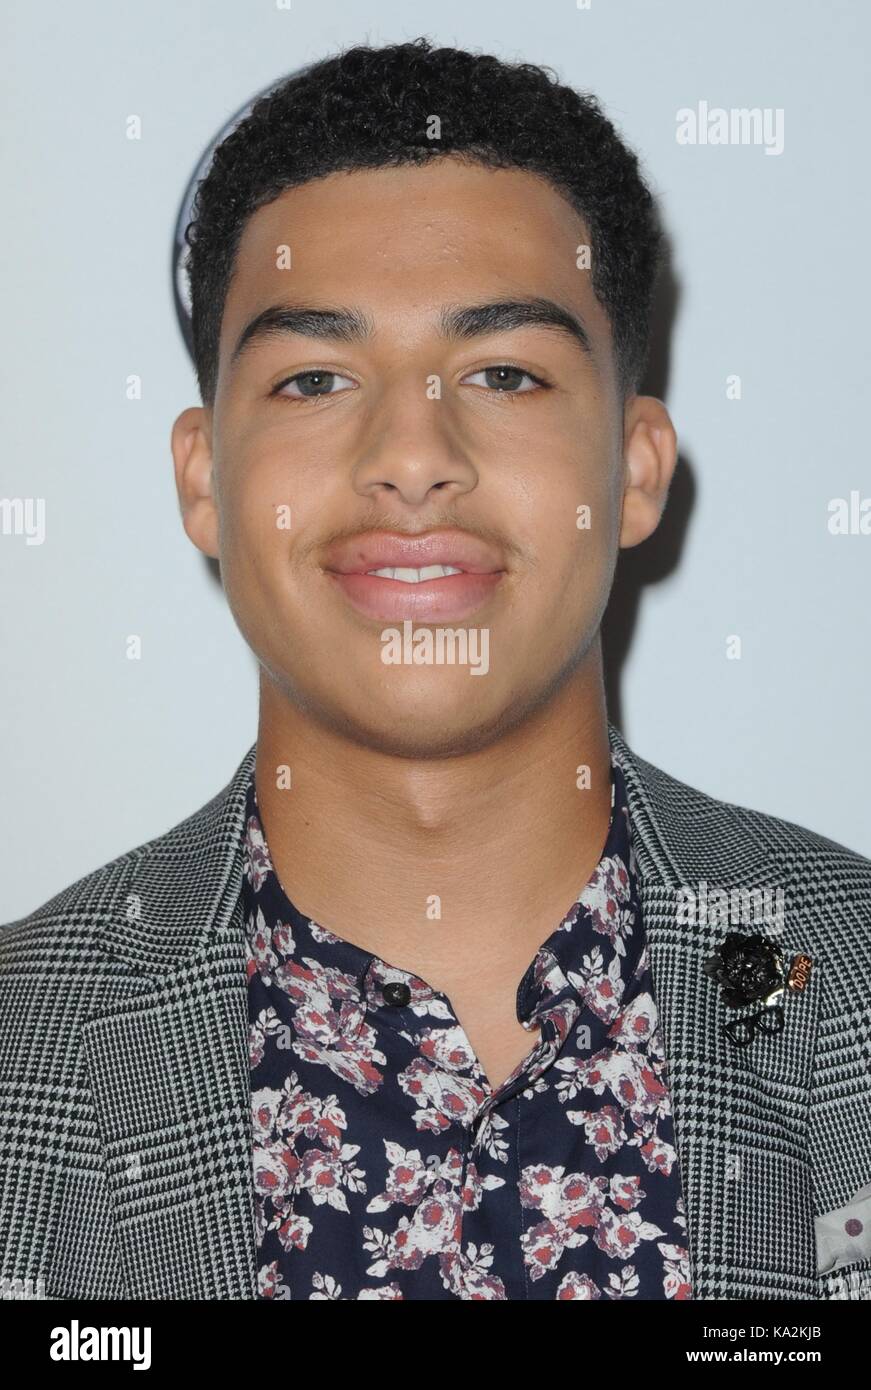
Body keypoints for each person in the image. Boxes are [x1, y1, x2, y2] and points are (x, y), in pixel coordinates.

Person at [2, 37, 870, 1303]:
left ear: (633, 468)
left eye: (504, 372)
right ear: (204, 479)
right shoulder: (22, 1058)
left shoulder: (837, 980)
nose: (412, 454)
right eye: (315, 377)